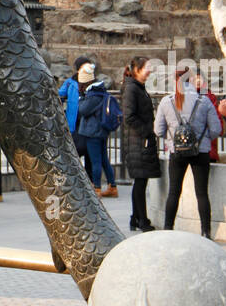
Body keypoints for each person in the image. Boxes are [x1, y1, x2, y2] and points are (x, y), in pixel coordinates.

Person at [155, 72, 223, 237]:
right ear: (192, 80)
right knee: (201, 193)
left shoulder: (166, 101)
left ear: (174, 81)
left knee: (173, 192)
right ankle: (206, 231)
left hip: (177, 152)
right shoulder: (204, 101)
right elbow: (216, 129)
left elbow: (158, 130)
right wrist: (203, 140)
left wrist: (172, 140)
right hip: (200, 152)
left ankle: (168, 229)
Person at [121, 57, 159, 231]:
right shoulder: (131, 89)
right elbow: (129, 116)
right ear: (137, 70)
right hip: (138, 142)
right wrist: (146, 131)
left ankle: (135, 218)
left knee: (141, 180)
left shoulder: (138, 88)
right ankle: (142, 220)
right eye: (146, 68)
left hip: (140, 141)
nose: (149, 70)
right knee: (140, 181)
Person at [75, 63, 118, 197]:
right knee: (103, 159)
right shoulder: (100, 91)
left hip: (93, 132)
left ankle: (97, 188)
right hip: (101, 131)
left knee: (96, 161)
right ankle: (112, 185)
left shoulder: (93, 95)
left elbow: (83, 110)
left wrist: (80, 98)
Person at [59, 56, 94, 183]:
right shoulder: (70, 82)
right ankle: (75, 180)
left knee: (90, 154)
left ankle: (90, 181)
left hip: (89, 123)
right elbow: (59, 94)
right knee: (74, 152)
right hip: (74, 123)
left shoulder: (93, 83)